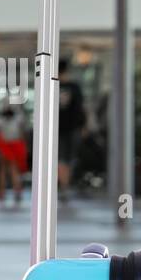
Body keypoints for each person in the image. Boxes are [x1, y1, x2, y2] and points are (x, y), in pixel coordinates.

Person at [57, 57, 86, 196]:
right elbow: (81, 109)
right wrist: (83, 126)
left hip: (58, 128)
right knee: (67, 158)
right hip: (71, 128)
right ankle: (64, 185)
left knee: (61, 158)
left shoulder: (52, 85)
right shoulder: (74, 87)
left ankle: (63, 185)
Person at [0, 98, 28, 207]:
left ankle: (2, 192)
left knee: (4, 169)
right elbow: (22, 133)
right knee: (13, 169)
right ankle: (16, 191)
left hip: (5, 144)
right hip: (13, 144)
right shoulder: (19, 116)